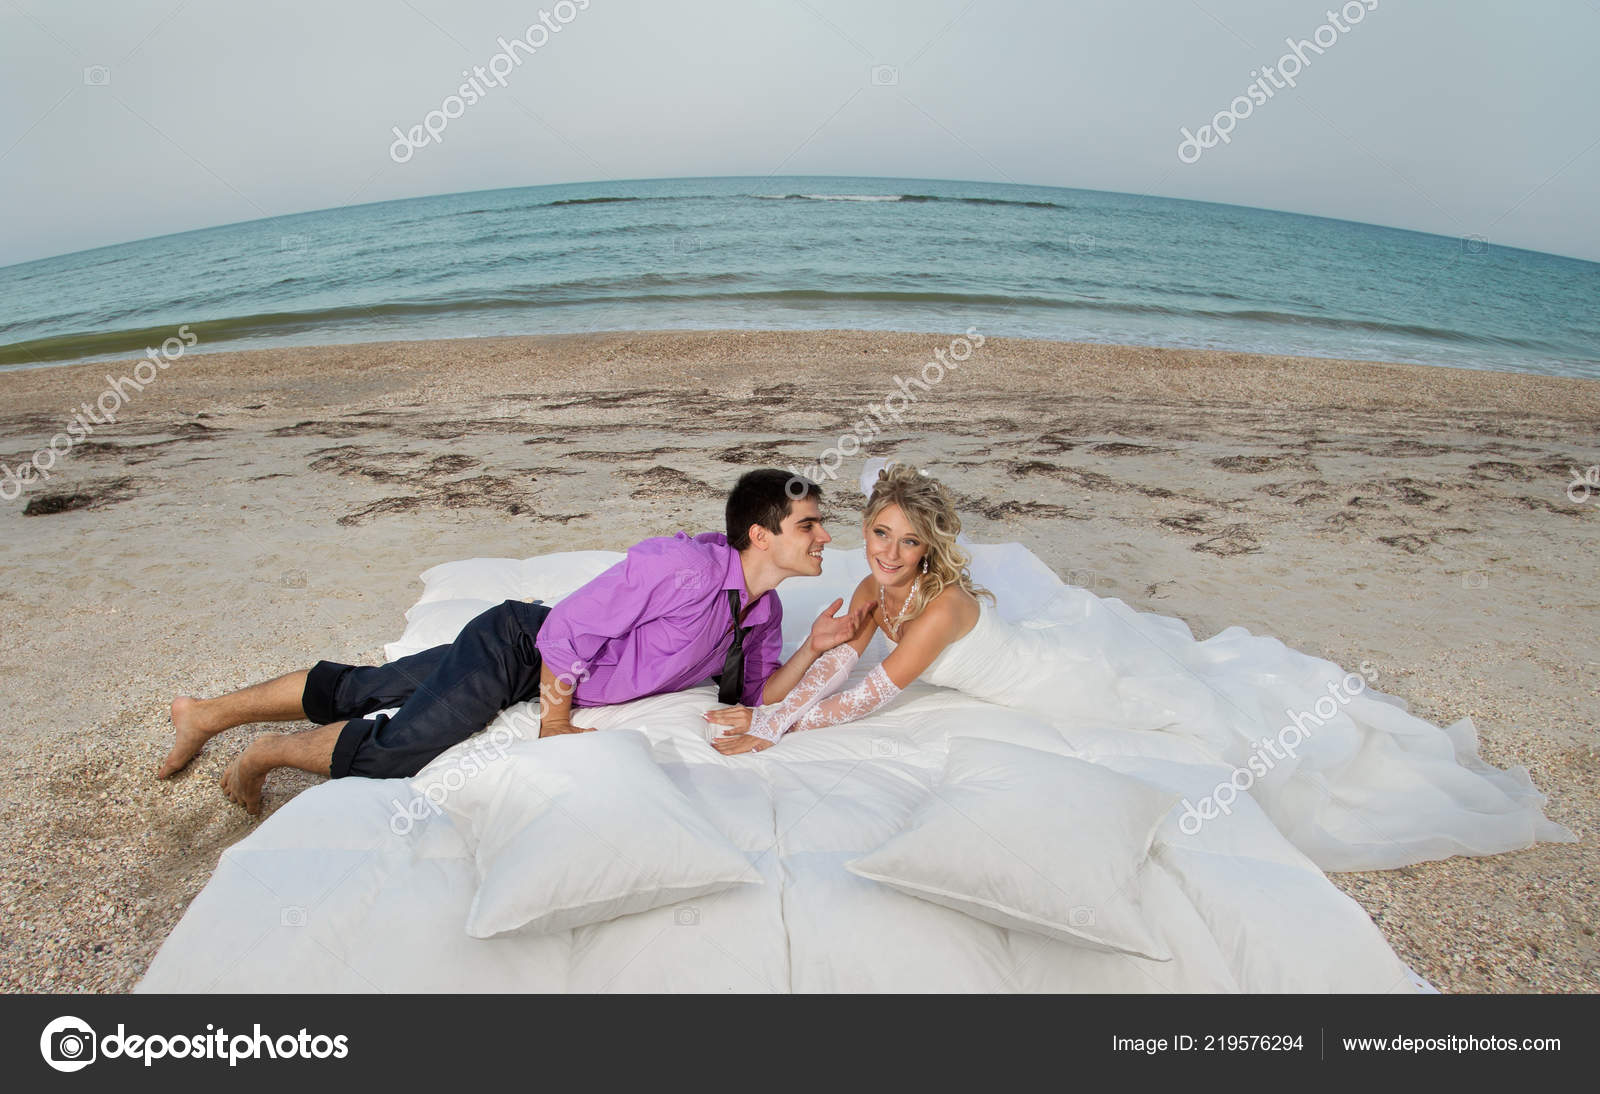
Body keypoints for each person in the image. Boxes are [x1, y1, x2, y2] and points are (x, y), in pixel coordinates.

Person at [706, 460, 1574, 872]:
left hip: (1067, 679)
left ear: (933, 547)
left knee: (1193, 717)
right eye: (879, 534)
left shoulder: (942, 608)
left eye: (907, 541)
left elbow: (864, 701)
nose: (887, 553)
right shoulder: (869, 586)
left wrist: (770, 732)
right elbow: (834, 670)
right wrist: (777, 697)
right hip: (1024, 668)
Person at [159, 468, 867, 813]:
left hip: (543, 661)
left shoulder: (763, 615)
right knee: (398, 749)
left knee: (363, 686)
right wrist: (555, 723)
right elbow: (565, 631)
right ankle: (263, 753)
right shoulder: (681, 568)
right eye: (809, 524)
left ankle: (202, 714)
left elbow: (750, 695)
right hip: (521, 646)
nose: (825, 535)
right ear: (760, 534)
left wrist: (814, 648)